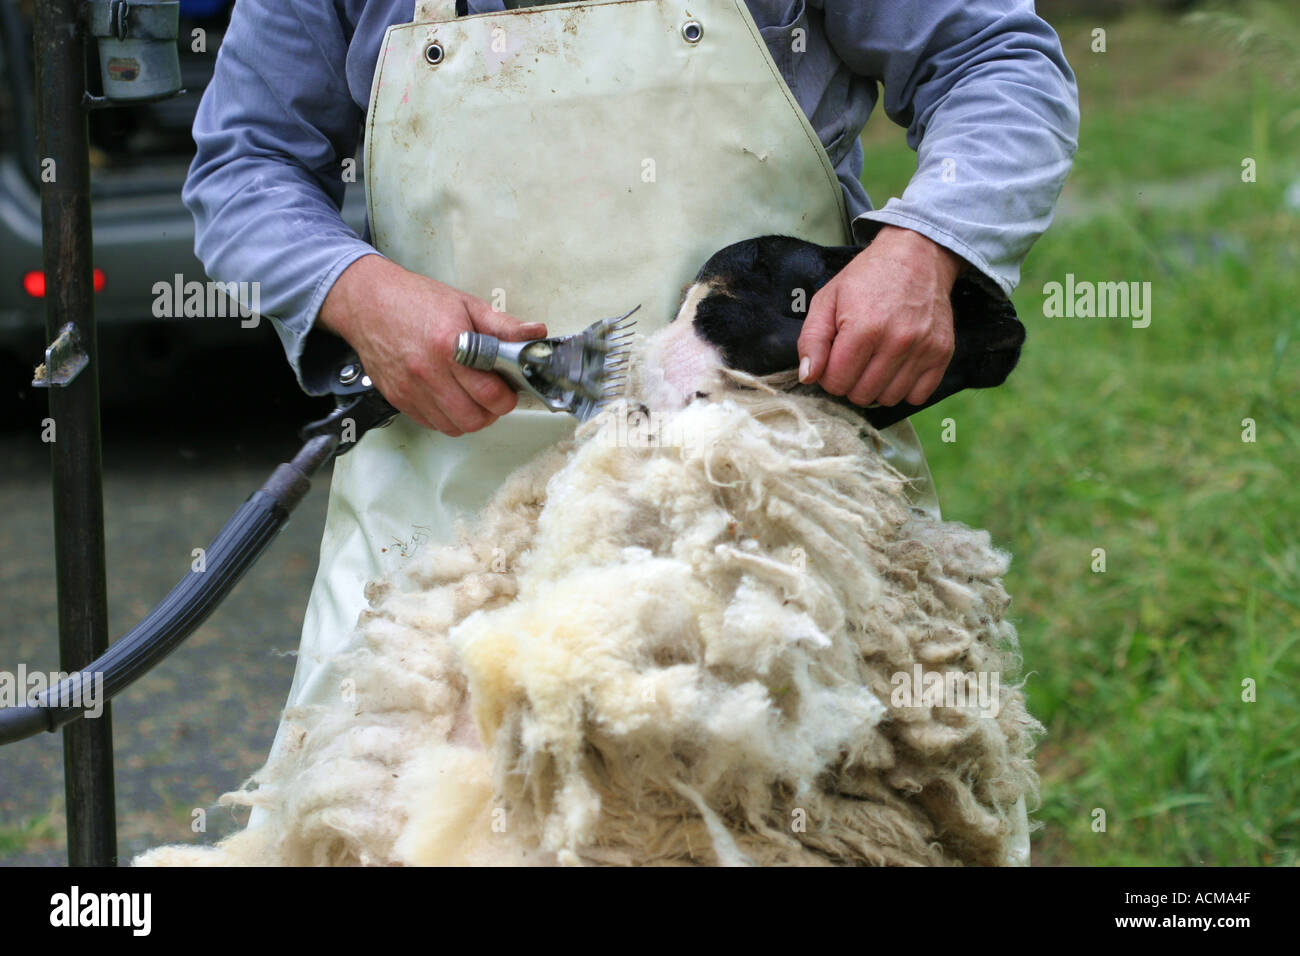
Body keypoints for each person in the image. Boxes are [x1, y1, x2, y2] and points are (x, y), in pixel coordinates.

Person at [185, 0, 1078, 861]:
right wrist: (352, 289)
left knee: (813, 830)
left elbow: (992, 60)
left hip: (762, 530)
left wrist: (925, 247)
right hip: (440, 546)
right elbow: (245, 161)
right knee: (404, 832)